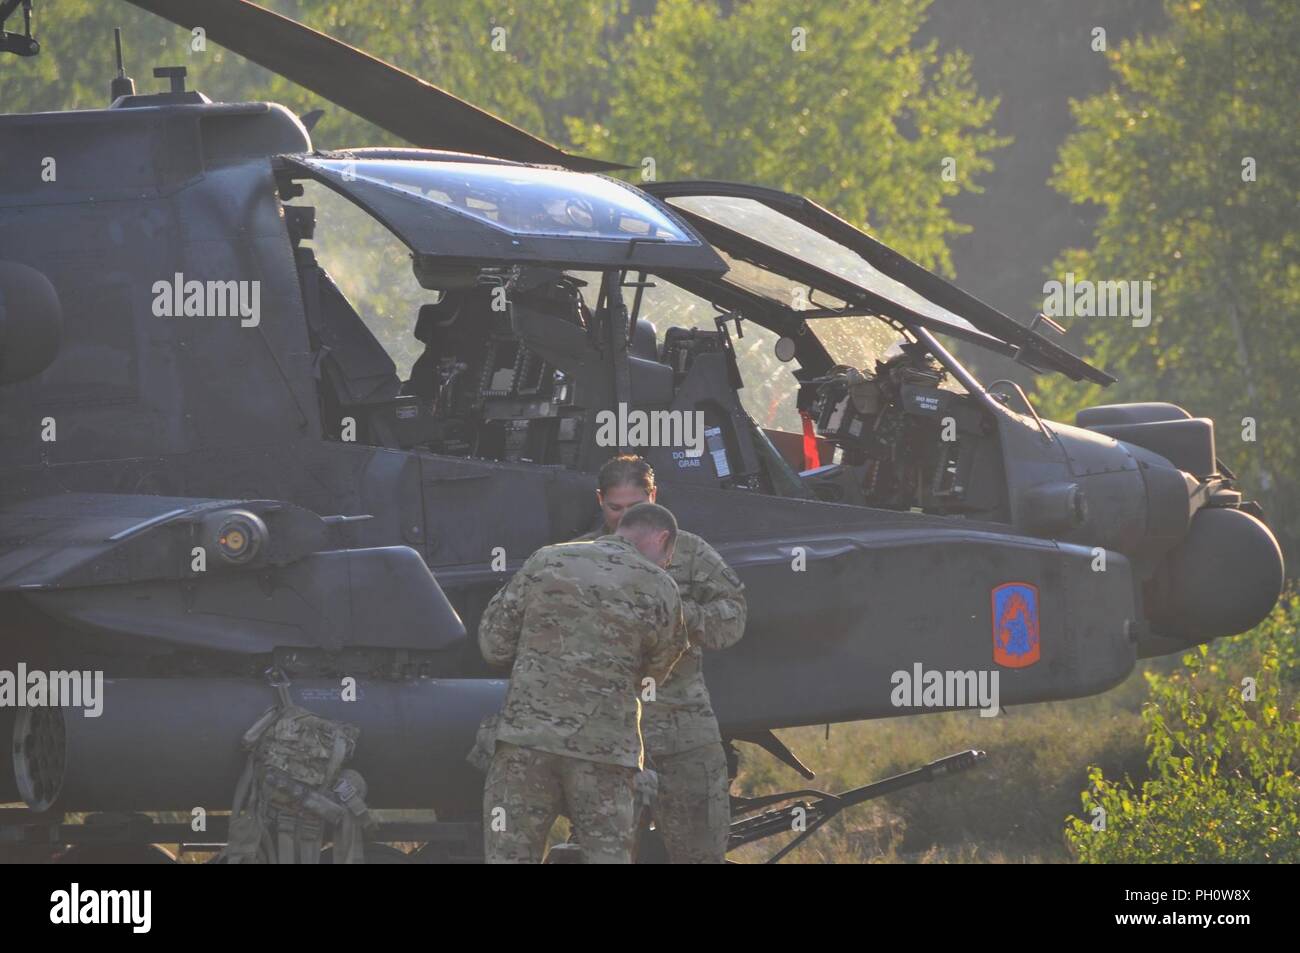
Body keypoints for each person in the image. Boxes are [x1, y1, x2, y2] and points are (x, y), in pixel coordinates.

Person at [478, 502, 687, 863]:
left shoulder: (546, 560)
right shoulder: (660, 586)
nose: (665, 565)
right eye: (668, 557)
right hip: (605, 754)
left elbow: (493, 645)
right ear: (663, 539)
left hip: (525, 745)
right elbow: (655, 676)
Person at [575, 455, 747, 863]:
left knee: (701, 853)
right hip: (609, 734)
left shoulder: (688, 552)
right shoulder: (580, 556)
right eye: (614, 508)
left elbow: (734, 616)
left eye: (634, 508)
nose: (622, 519)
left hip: (683, 729)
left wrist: (677, 615)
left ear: (653, 496)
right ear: (600, 501)